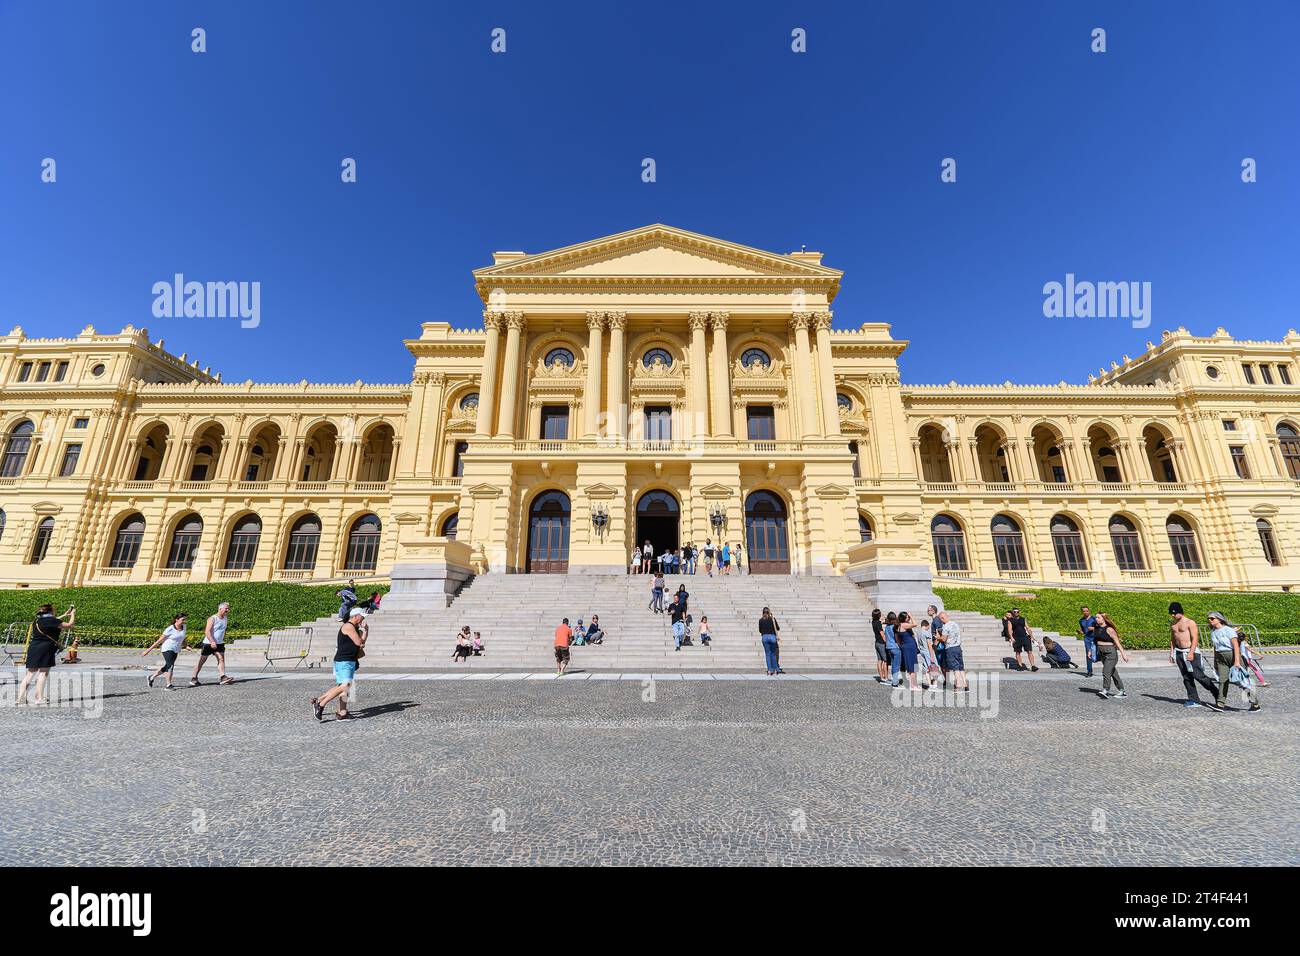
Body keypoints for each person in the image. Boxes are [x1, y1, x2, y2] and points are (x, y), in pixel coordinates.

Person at [312, 607, 367, 721]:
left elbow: (362, 643)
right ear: (355, 616)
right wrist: (362, 636)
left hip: (349, 660)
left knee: (344, 688)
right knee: (345, 686)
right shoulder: (348, 626)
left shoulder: (356, 628)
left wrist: (365, 631)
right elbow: (359, 643)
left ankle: (342, 712)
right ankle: (321, 704)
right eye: (362, 616)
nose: (363, 619)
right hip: (344, 661)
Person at [16, 604, 74, 705]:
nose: (55, 611)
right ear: (50, 611)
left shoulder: (37, 621)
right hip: (46, 648)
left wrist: (64, 615)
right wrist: (73, 614)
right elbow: (70, 625)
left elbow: (52, 621)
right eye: (54, 610)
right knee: (43, 673)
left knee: (29, 674)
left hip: (33, 647)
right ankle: (38, 698)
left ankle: (20, 698)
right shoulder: (53, 621)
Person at [1169, 601, 1220, 710]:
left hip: (1190, 651)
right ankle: (1194, 699)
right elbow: (1173, 639)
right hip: (1179, 652)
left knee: (1198, 675)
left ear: (1180, 612)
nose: (1173, 615)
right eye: (1171, 613)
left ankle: (1216, 693)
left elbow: (1195, 639)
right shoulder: (1173, 624)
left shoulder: (1190, 622)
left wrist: (1191, 652)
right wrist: (1172, 653)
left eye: (1174, 613)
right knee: (1186, 677)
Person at [1207, 612, 1261, 712]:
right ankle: (1220, 704)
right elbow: (1215, 647)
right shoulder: (1213, 632)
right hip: (1220, 657)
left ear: (1219, 619)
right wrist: (1215, 661)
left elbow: (1236, 646)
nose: (1210, 620)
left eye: (1212, 618)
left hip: (1232, 655)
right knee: (1223, 680)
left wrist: (1237, 661)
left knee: (1242, 682)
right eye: (1208, 619)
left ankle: (1255, 704)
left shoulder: (1228, 630)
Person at [190, 602, 234, 686]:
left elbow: (224, 630)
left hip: (219, 643)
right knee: (202, 661)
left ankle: (223, 677)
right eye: (226, 608)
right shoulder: (212, 618)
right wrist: (212, 641)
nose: (228, 610)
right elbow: (207, 631)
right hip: (208, 643)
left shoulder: (225, 618)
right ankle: (194, 678)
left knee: (221, 659)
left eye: (228, 608)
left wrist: (223, 638)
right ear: (220, 609)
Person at [142, 613, 187, 690]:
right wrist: (148, 650)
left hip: (176, 649)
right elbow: (159, 640)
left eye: (185, 619)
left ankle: (151, 677)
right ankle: (168, 685)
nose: (184, 621)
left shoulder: (184, 627)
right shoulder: (170, 629)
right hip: (167, 648)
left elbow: (183, 637)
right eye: (183, 619)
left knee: (167, 666)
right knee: (170, 666)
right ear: (177, 619)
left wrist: (186, 645)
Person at [1093, 612, 1129, 699]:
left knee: (1106, 671)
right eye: (1096, 617)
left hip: (1110, 653)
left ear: (1104, 619)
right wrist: (1091, 651)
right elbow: (1095, 641)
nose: (1096, 619)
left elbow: (1117, 642)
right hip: (1102, 653)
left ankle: (1106, 689)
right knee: (1113, 672)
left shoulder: (1109, 629)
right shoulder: (1096, 628)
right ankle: (1122, 691)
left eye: (1098, 617)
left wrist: (1123, 654)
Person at [938, 611, 968, 691]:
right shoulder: (955, 624)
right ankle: (965, 685)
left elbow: (944, 639)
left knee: (955, 668)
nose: (941, 621)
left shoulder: (946, 626)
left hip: (951, 648)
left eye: (940, 619)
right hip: (958, 647)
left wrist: (938, 637)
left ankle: (958, 685)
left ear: (942, 618)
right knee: (961, 667)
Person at [896, 611, 921, 690]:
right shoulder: (904, 625)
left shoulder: (899, 625)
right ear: (904, 618)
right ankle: (912, 685)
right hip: (909, 647)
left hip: (909, 647)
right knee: (912, 666)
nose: (909, 618)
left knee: (914, 666)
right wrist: (911, 616)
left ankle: (914, 684)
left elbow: (898, 639)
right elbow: (915, 624)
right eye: (907, 617)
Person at [759, 607, 781, 675]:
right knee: (773, 654)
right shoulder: (773, 619)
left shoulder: (761, 620)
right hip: (772, 637)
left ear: (763, 612)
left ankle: (769, 670)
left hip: (765, 637)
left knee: (767, 654)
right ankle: (775, 669)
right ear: (769, 612)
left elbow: (760, 630)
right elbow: (778, 628)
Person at [1078, 605, 1098, 678]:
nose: (1086, 612)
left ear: (1089, 611)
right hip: (1087, 639)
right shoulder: (1081, 620)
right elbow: (1084, 630)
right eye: (1084, 611)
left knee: (1098, 653)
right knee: (1088, 655)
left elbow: (1100, 628)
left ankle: (1107, 668)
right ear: (1082, 612)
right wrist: (1081, 632)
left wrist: (1093, 628)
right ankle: (1089, 671)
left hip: (1095, 638)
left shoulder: (1094, 619)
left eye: (1087, 611)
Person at [883, 612, 901, 687]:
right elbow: (896, 638)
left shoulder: (887, 626)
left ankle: (894, 679)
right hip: (895, 647)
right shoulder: (894, 626)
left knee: (894, 665)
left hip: (889, 647)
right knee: (896, 665)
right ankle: (895, 682)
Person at [871, 608, 888, 683]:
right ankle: (885, 677)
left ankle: (881, 677)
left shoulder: (873, 622)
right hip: (881, 643)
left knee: (879, 660)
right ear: (878, 615)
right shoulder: (878, 623)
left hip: (876, 642)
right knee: (885, 660)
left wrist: (884, 621)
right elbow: (882, 633)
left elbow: (880, 623)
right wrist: (886, 641)